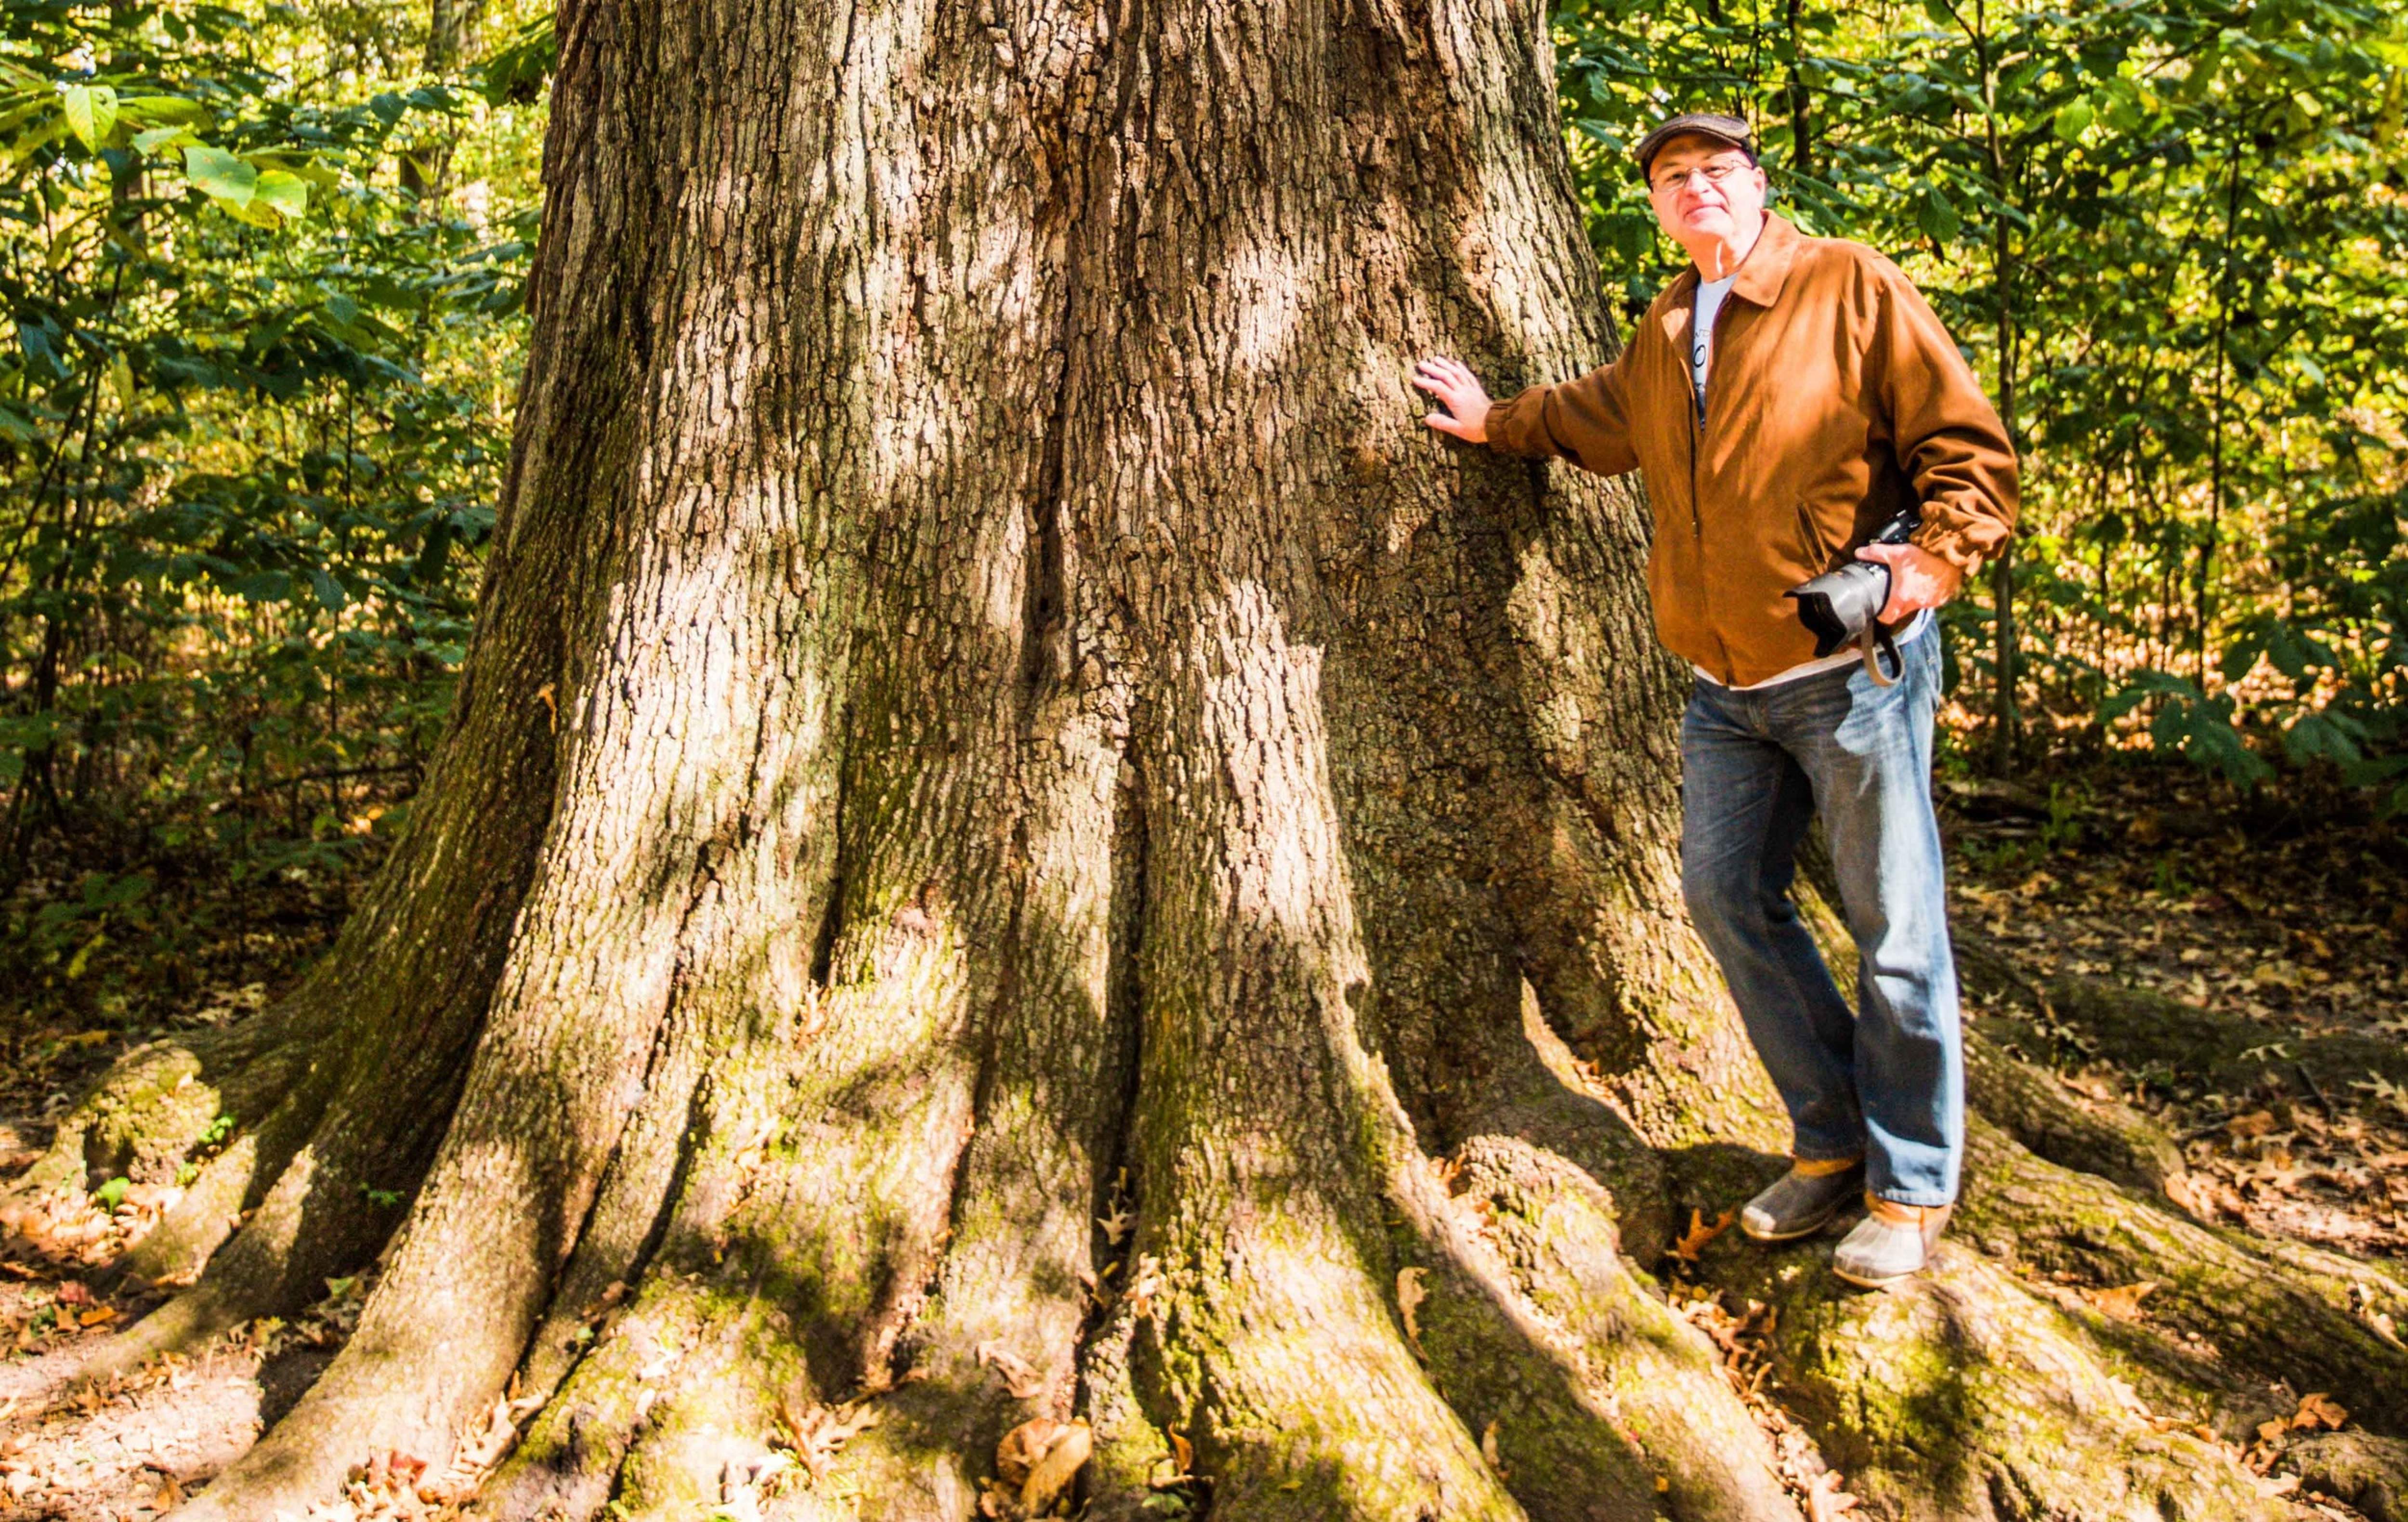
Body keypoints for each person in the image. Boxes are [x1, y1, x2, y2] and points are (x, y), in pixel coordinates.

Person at [1413, 112, 2016, 1286]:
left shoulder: (1847, 283)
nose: (1696, 190)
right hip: (1722, 689)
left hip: (1855, 677)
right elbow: (1598, 415)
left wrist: (1933, 560)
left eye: (1716, 172)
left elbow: (1967, 445)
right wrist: (1496, 422)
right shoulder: (1669, 322)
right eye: (1672, 179)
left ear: (1756, 187)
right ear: (1655, 206)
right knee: (1725, 899)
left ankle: (1911, 1181)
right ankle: (1831, 1137)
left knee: (1894, 929)